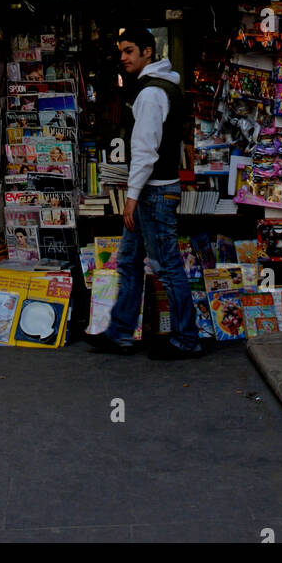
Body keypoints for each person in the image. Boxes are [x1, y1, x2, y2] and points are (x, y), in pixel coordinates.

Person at [86, 25, 202, 361]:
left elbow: (146, 150)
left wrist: (132, 196)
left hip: (154, 192)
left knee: (166, 266)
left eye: (129, 51)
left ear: (148, 52)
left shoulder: (152, 93)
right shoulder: (162, 86)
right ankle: (120, 332)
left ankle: (186, 338)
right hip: (154, 191)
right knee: (129, 260)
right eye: (121, 51)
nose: (122, 57)